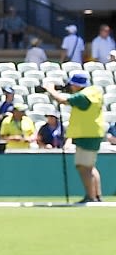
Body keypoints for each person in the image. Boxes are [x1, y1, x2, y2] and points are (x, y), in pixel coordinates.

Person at [44, 69, 104, 202]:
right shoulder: (93, 92)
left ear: (76, 84)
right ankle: (97, 195)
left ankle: (91, 196)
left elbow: (63, 100)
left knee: (83, 166)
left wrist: (51, 89)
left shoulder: (83, 96)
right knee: (90, 166)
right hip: (92, 132)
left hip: (86, 134)